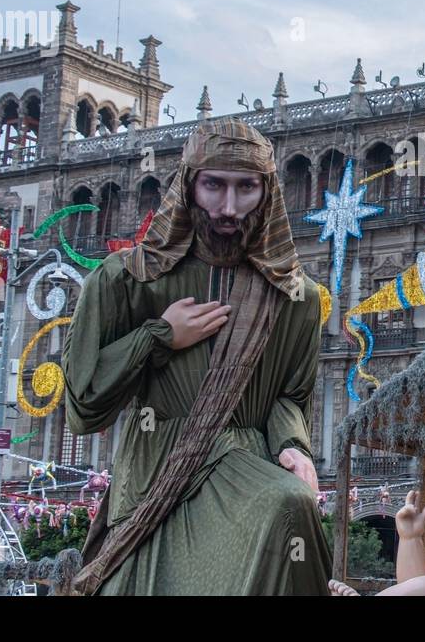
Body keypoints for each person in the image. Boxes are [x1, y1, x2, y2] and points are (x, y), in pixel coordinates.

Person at [65, 118, 330, 595]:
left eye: (245, 187)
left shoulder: (296, 296)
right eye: (214, 185)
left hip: (245, 460)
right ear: (188, 187)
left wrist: (294, 445)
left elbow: (289, 396)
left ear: (267, 192)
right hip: (156, 463)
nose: (228, 208)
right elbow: (84, 405)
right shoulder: (126, 279)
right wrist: (158, 335)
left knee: (290, 504)